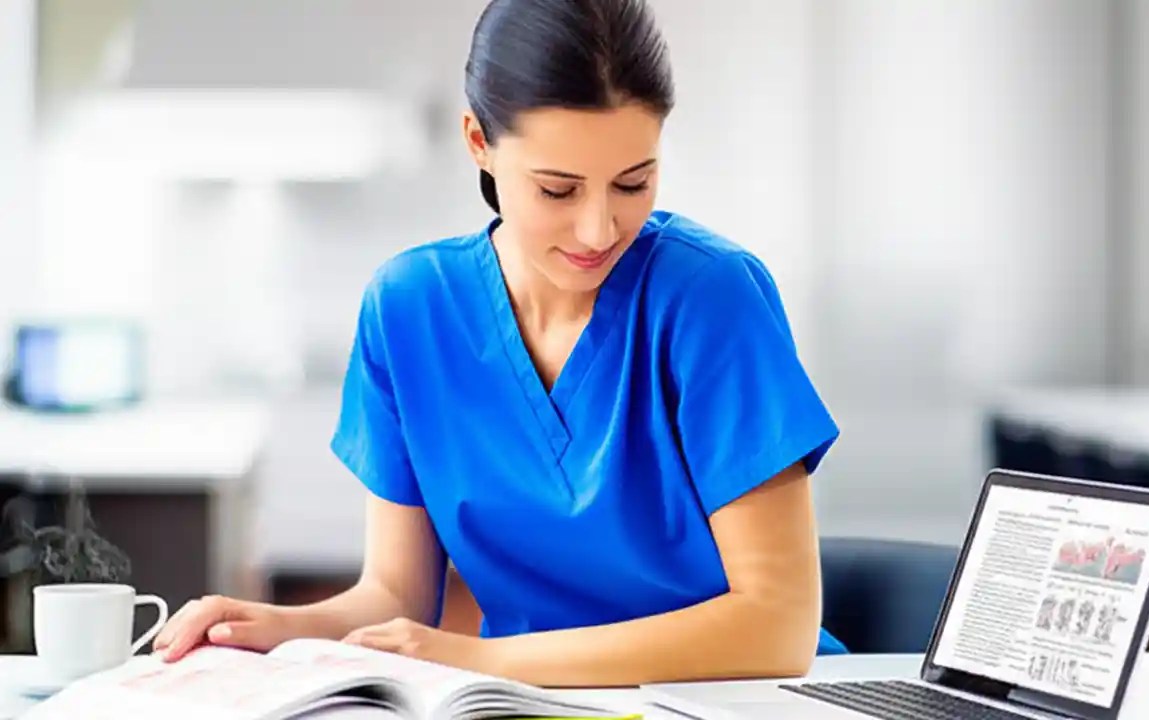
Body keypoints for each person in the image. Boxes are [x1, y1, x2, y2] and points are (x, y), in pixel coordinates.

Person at [152, 0, 843, 687]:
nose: (599, 230)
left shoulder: (709, 297)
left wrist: (483, 660)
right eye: (557, 189)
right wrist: (274, 630)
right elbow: (396, 598)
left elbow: (776, 626)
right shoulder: (410, 308)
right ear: (479, 142)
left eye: (633, 182)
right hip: (520, 702)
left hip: (736, 701)